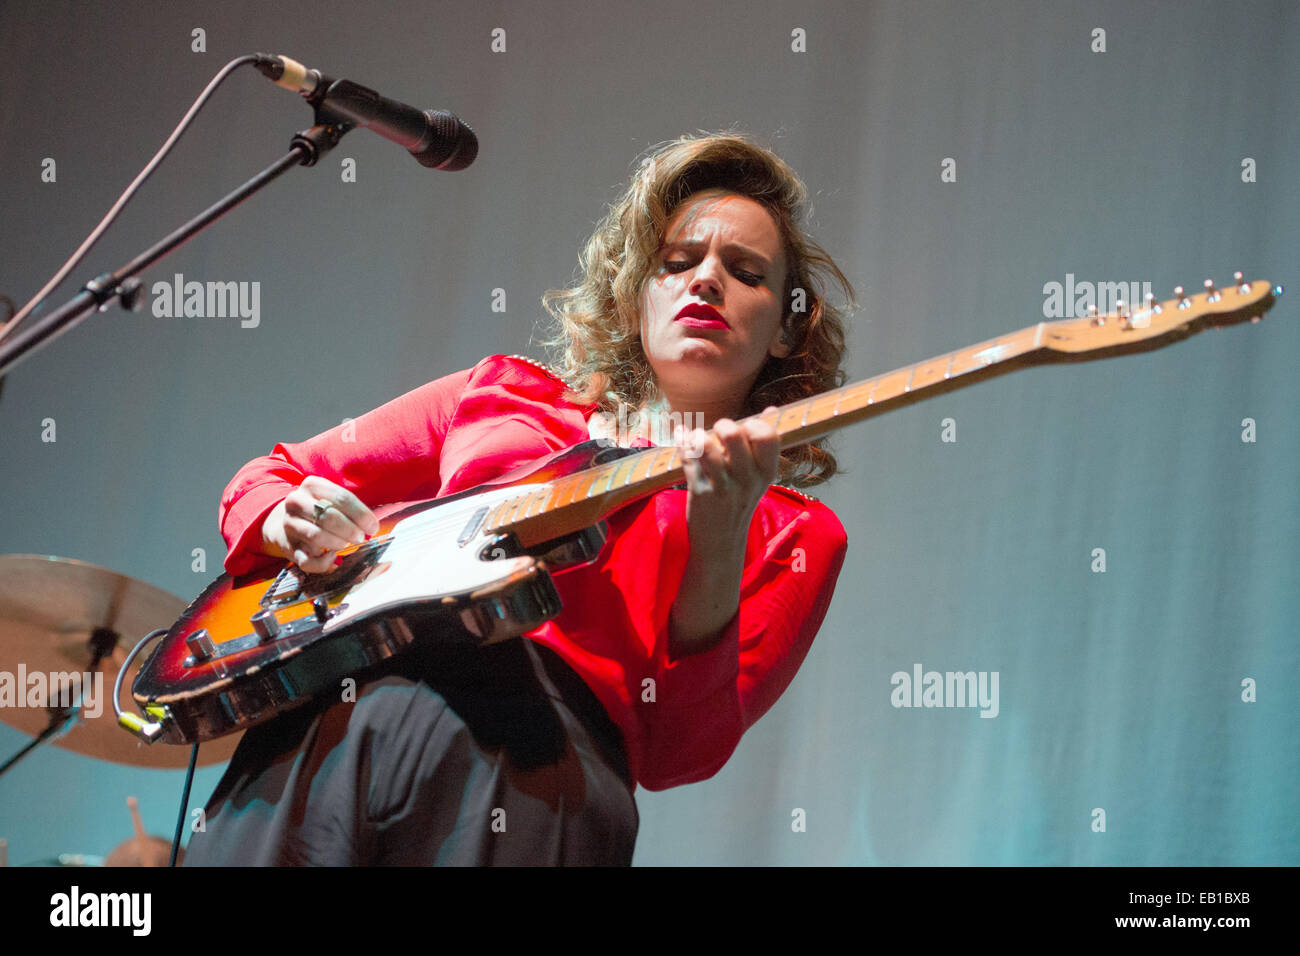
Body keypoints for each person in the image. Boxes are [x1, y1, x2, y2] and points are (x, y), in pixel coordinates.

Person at [183, 132, 855, 866]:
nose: (705, 281)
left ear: (789, 329)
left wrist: (719, 536)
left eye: (747, 272)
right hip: (334, 718)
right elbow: (269, 476)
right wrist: (287, 517)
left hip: (537, 777)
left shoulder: (797, 531)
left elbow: (679, 752)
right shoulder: (502, 392)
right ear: (636, 299)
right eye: (677, 262)